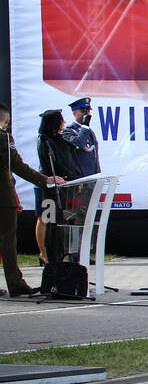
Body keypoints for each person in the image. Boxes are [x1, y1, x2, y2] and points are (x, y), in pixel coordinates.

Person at [1, 104, 64, 299]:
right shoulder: (4, 138)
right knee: (7, 242)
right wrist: (44, 179)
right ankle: (15, 283)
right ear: (6, 120)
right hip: (3, 198)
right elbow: (18, 166)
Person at [34, 110, 80, 266]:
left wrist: (76, 176)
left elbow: (68, 159)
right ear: (54, 122)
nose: (64, 122)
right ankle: (44, 253)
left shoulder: (59, 139)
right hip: (46, 186)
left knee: (55, 220)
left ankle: (57, 253)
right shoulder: (44, 141)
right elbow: (56, 164)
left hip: (59, 187)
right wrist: (70, 176)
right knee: (45, 219)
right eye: (61, 120)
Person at [60, 97, 101, 179]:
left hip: (93, 178)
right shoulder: (68, 131)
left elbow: (94, 156)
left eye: (88, 111)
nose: (87, 114)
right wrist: (85, 125)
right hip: (80, 180)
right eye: (84, 111)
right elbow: (79, 144)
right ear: (74, 113)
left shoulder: (88, 130)